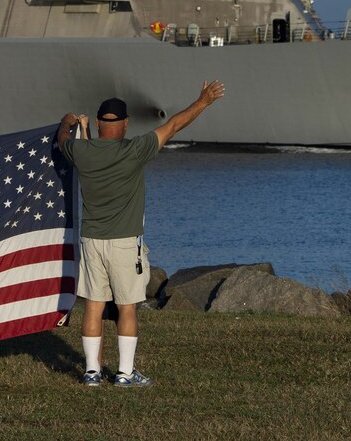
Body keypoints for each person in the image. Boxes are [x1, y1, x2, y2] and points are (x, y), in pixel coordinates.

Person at [57, 80, 226, 388]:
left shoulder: (81, 151)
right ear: (125, 124)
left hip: (92, 241)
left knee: (93, 305)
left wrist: (69, 122)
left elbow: (62, 140)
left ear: (97, 123)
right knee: (127, 307)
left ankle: (92, 373)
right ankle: (124, 373)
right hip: (124, 243)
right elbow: (174, 125)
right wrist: (204, 101)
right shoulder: (135, 149)